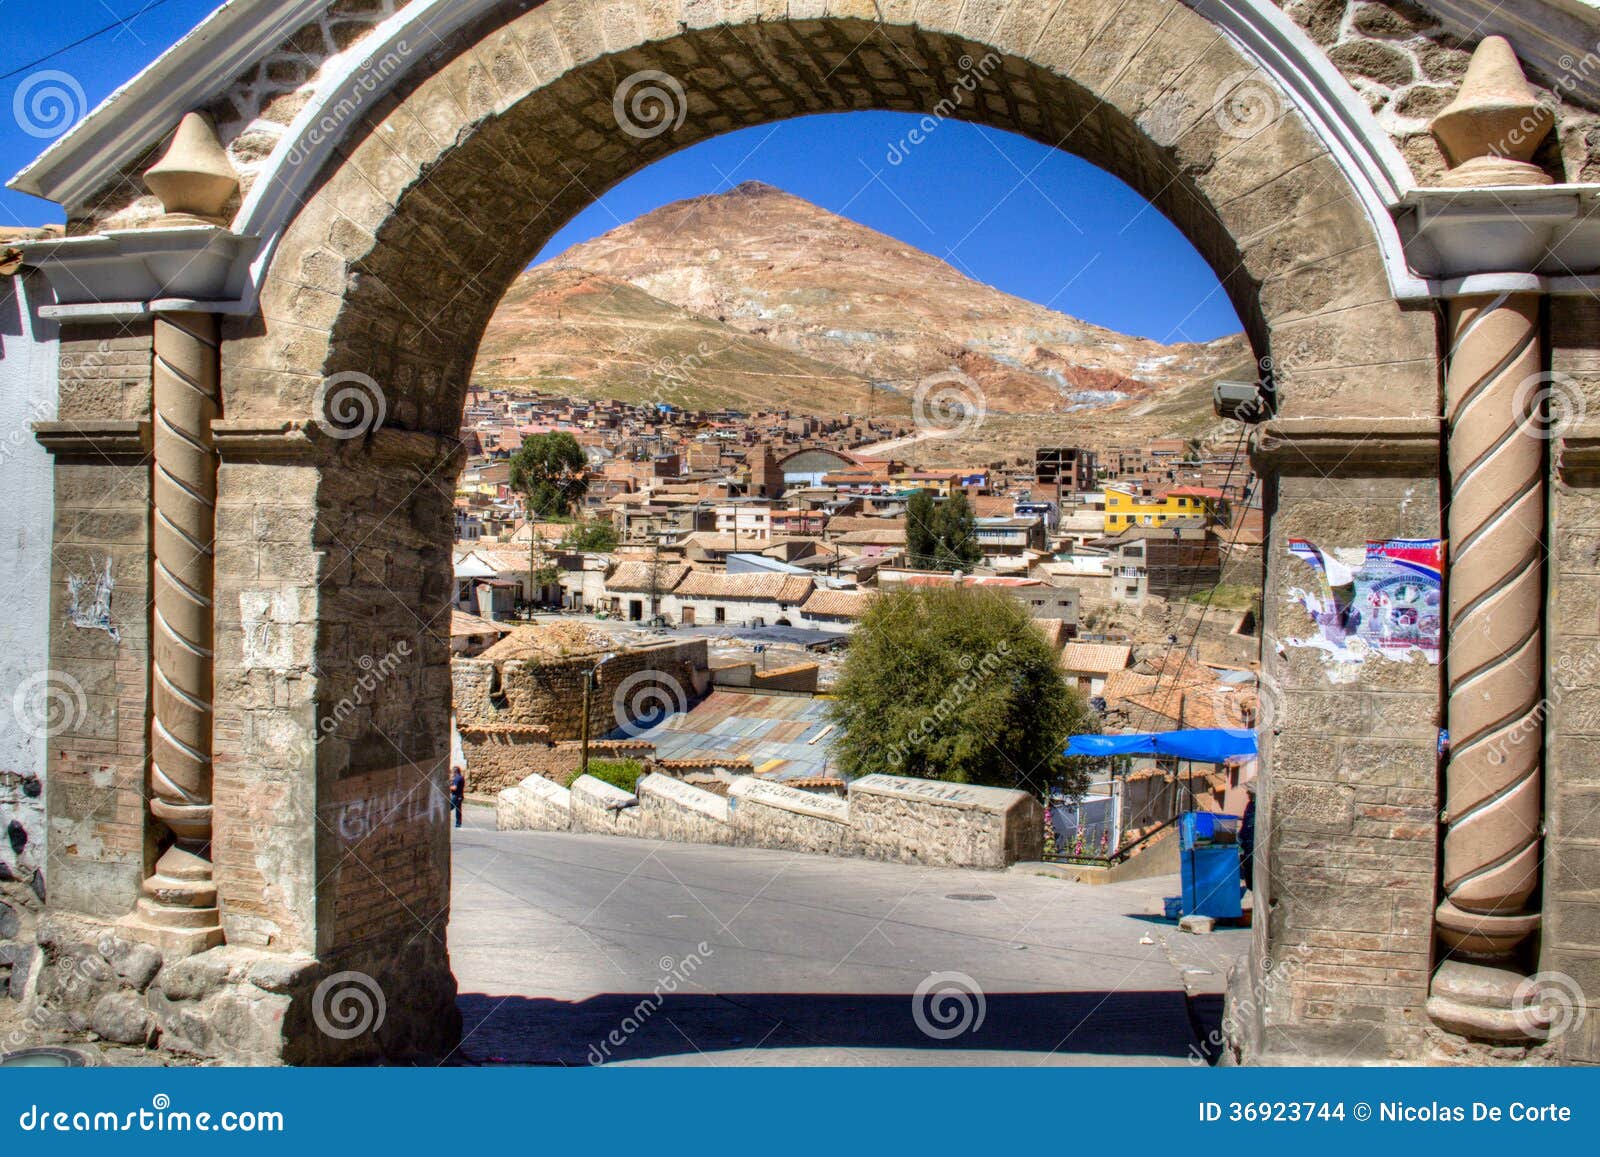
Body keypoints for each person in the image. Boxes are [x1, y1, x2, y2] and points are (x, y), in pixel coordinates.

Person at [1238, 780, 1256, 892]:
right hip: (1247, 845)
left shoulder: (1259, 806)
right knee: (1248, 871)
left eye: (1249, 791)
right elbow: (1245, 824)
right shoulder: (1249, 806)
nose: (1247, 794)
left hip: (1254, 846)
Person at [450, 764, 466, 828]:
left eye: (452, 772)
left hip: (456, 796)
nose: (452, 773)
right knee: (458, 810)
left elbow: (454, 788)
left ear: (455, 772)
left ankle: (442, 820)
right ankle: (458, 824)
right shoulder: (461, 777)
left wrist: (447, 787)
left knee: (449, 807)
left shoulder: (457, 778)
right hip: (460, 796)